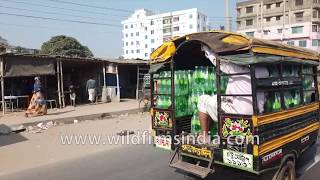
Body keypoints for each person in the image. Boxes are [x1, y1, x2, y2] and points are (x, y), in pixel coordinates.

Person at [198, 45, 269, 142]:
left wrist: (206, 49)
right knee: (220, 98)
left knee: (203, 99)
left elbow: (219, 62)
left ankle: (205, 136)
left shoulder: (238, 69)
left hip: (239, 114)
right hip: (257, 112)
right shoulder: (264, 71)